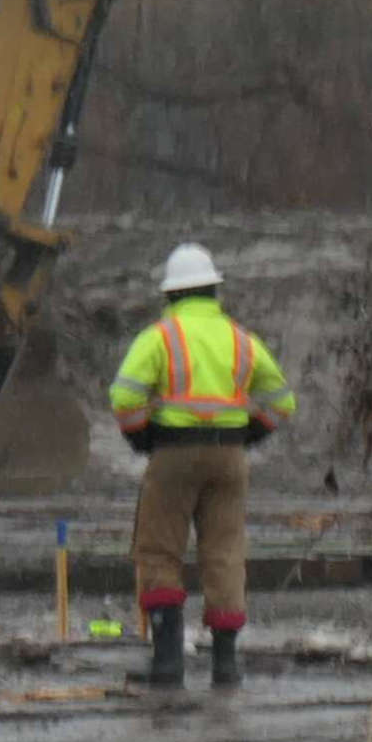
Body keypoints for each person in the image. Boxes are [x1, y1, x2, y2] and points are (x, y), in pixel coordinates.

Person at [107, 241, 298, 692]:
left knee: (158, 551)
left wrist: (140, 435)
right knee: (225, 553)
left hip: (172, 454)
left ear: (171, 295)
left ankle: (169, 663)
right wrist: (250, 433)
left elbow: (124, 397)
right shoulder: (240, 339)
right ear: (214, 291)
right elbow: (282, 400)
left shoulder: (161, 337)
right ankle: (226, 665)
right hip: (230, 458)